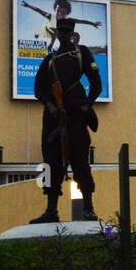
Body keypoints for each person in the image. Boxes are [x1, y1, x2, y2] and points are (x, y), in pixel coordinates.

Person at [32, 18, 103, 223]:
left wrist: (86, 105)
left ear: (72, 33)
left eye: (66, 31)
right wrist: (51, 106)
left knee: (80, 162)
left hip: (76, 118)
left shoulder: (82, 54)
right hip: (54, 120)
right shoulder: (50, 60)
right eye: (60, 31)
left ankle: (88, 208)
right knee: (49, 163)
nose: (63, 35)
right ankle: (51, 210)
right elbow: (38, 89)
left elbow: (96, 83)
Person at [22, 0, 102, 50]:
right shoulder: (52, 18)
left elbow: (83, 21)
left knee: (74, 35)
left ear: (66, 13)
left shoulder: (70, 20)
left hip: (68, 41)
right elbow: (39, 10)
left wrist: (93, 24)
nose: (59, 14)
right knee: (54, 32)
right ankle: (51, 46)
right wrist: (28, 6)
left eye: (62, 12)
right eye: (58, 11)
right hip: (58, 40)